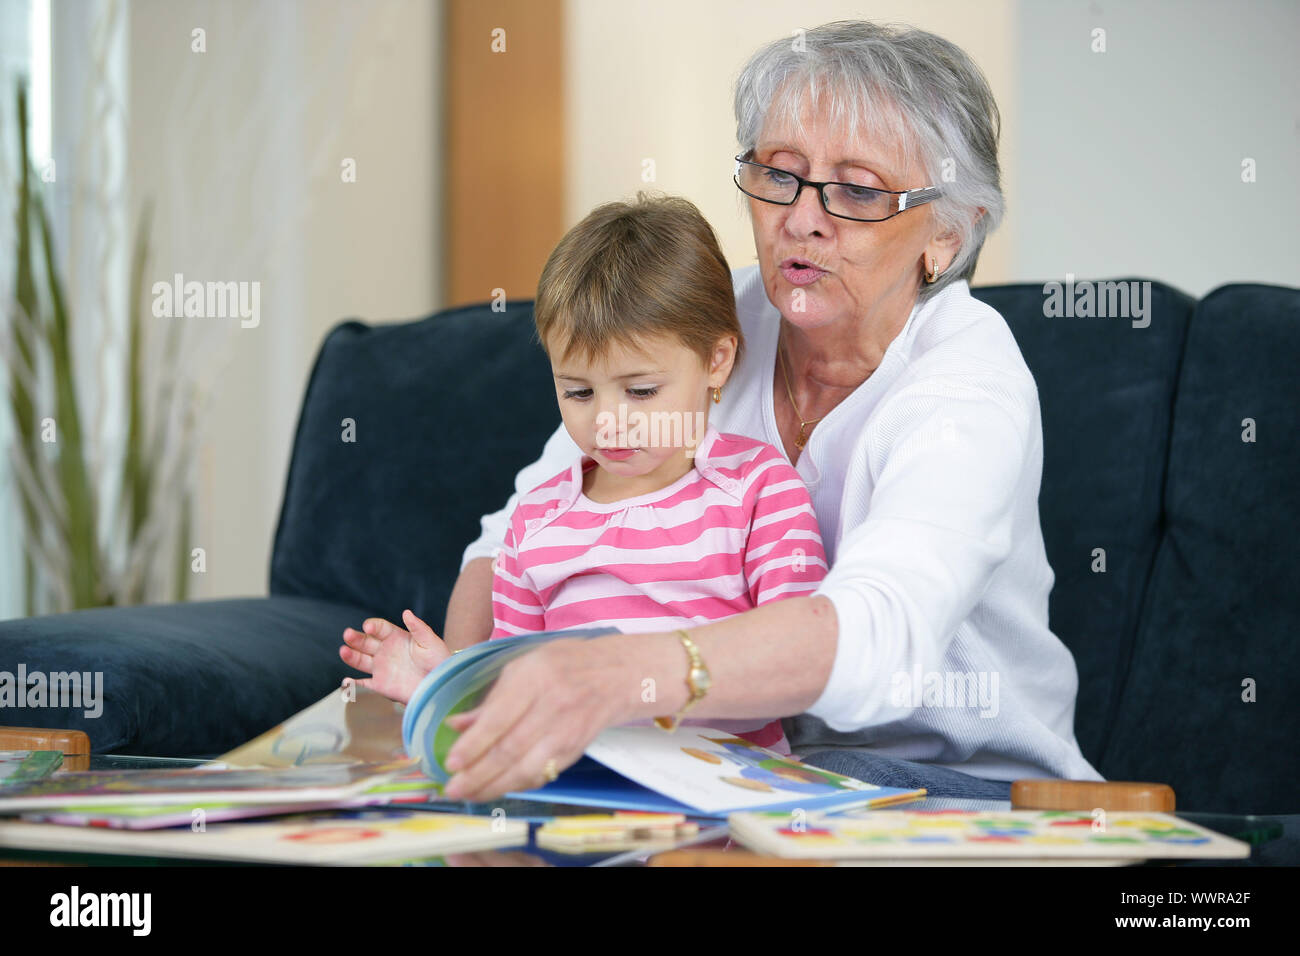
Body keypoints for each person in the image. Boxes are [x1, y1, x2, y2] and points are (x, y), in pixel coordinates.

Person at [342, 20, 1104, 802]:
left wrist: (618, 675)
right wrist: (470, 721)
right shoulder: (706, 322)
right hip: (741, 768)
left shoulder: (965, 381)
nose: (802, 219)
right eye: (780, 173)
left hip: (953, 784)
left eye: (858, 189)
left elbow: (883, 637)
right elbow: (512, 536)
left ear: (949, 232)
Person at [342, 193, 829, 756]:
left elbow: (798, 665)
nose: (608, 422)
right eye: (577, 391)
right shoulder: (537, 521)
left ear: (716, 360)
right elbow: (516, 686)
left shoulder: (759, 490)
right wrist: (446, 680)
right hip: (576, 793)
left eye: (641, 391)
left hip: (722, 793)